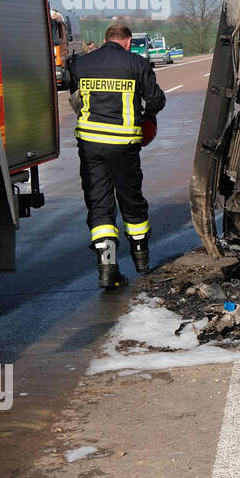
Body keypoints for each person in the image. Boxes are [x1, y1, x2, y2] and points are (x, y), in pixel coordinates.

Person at [66, 23, 166, 288]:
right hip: (124, 146)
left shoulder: (83, 63)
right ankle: (141, 260)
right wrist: (148, 115)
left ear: (106, 39)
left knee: (99, 205)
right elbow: (155, 100)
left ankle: (108, 269)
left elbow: (72, 93)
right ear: (128, 41)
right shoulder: (136, 64)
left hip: (90, 145)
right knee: (131, 201)